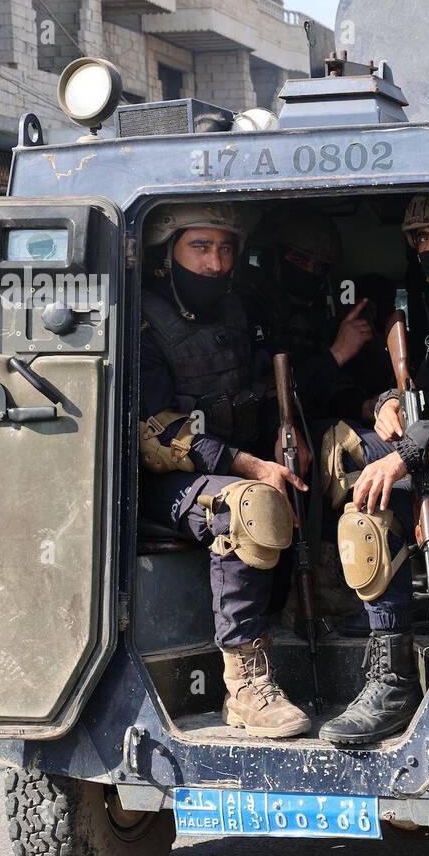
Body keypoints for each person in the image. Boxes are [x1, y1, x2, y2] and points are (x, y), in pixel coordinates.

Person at [137, 202, 313, 738]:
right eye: (200, 247)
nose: (216, 263)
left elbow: (259, 389)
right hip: (164, 482)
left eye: (225, 248)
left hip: (236, 464)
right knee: (248, 507)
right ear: (168, 254)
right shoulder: (142, 318)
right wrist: (250, 466)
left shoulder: (238, 311)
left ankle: (317, 617)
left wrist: (291, 434)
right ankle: (245, 687)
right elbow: (157, 434)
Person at [313, 193, 429, 745]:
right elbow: (423, 385)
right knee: (351, 461)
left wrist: (407, 454)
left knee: (384, 479)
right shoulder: (422, 300)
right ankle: (390, 672)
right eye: (418, 239)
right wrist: (385, 402)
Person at [238, 205, 379, 422]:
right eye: (299, 261)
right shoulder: (244, 311)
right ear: (273, 258)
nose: (309, 272)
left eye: (319, 268)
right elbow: (263, 396)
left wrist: (361, 406)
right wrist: (338, 353)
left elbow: (330, 386)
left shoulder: (310, 317)